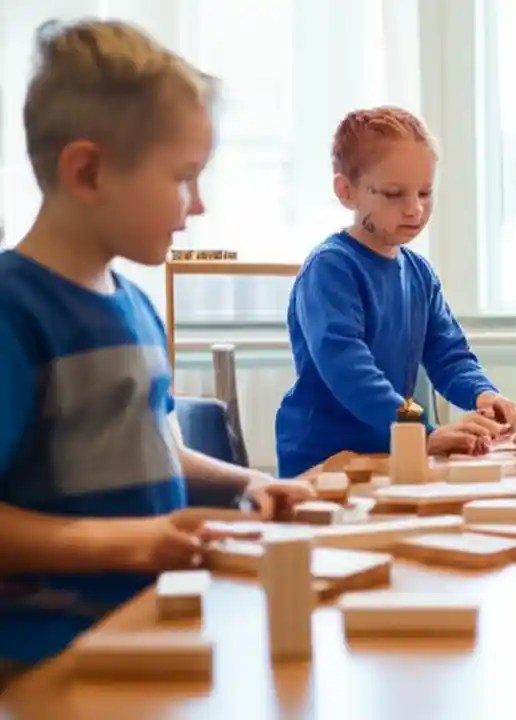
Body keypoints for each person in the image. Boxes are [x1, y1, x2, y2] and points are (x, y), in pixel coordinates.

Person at [0, 19, 310, 683]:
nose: (197, 205)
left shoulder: (136, 308)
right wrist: (129, 542)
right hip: (47, 665)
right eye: (184, 177)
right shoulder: (14, 313)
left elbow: (159, 449)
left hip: (149, 633)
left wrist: (248, 482)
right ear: (87, 171)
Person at [276, 107, 516, 478]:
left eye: (425, 192)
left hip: (391, 454)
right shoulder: (331, 268)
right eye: (393, 194)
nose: (415, 209)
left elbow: (449, 355)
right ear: (346, 191)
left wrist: (483, 394)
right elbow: (352, 373)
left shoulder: (418, 273)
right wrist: (420, 430)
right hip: (326, 460)